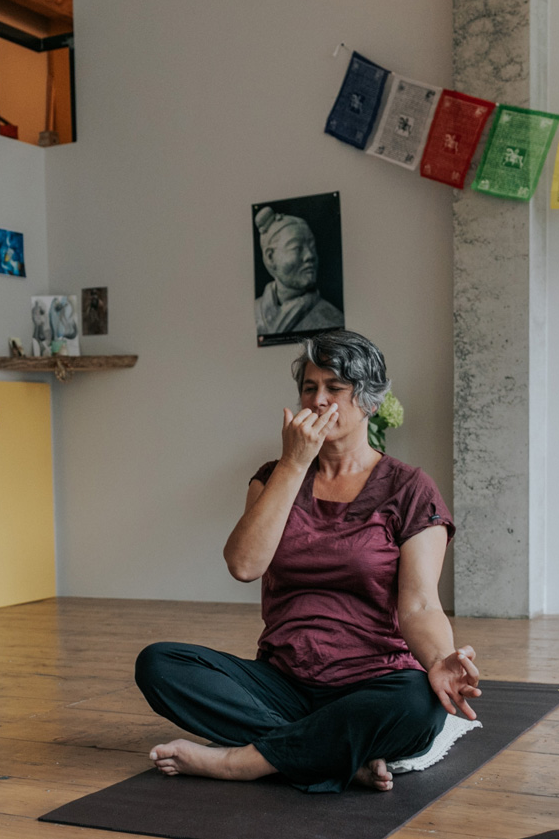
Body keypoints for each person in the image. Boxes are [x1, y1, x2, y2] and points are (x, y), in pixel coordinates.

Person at [136, 329, 482, 792]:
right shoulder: (273, 478)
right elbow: (244, 566)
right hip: (283, 681)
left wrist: (439, 659)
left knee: (420, 706)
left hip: (372, 681)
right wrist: (294, 465)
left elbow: (419, 605)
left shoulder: (410, 489)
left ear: (369, 401)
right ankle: (333, 753)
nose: (318, 400)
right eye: (309, 387)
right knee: (159, 665)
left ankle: (242, 762)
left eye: (334, 388)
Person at [253, 206, 344, 341]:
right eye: (297, 248)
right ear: (270, 257)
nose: (310, 255)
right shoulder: (252, 312)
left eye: (312, 246)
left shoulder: (332, 319)